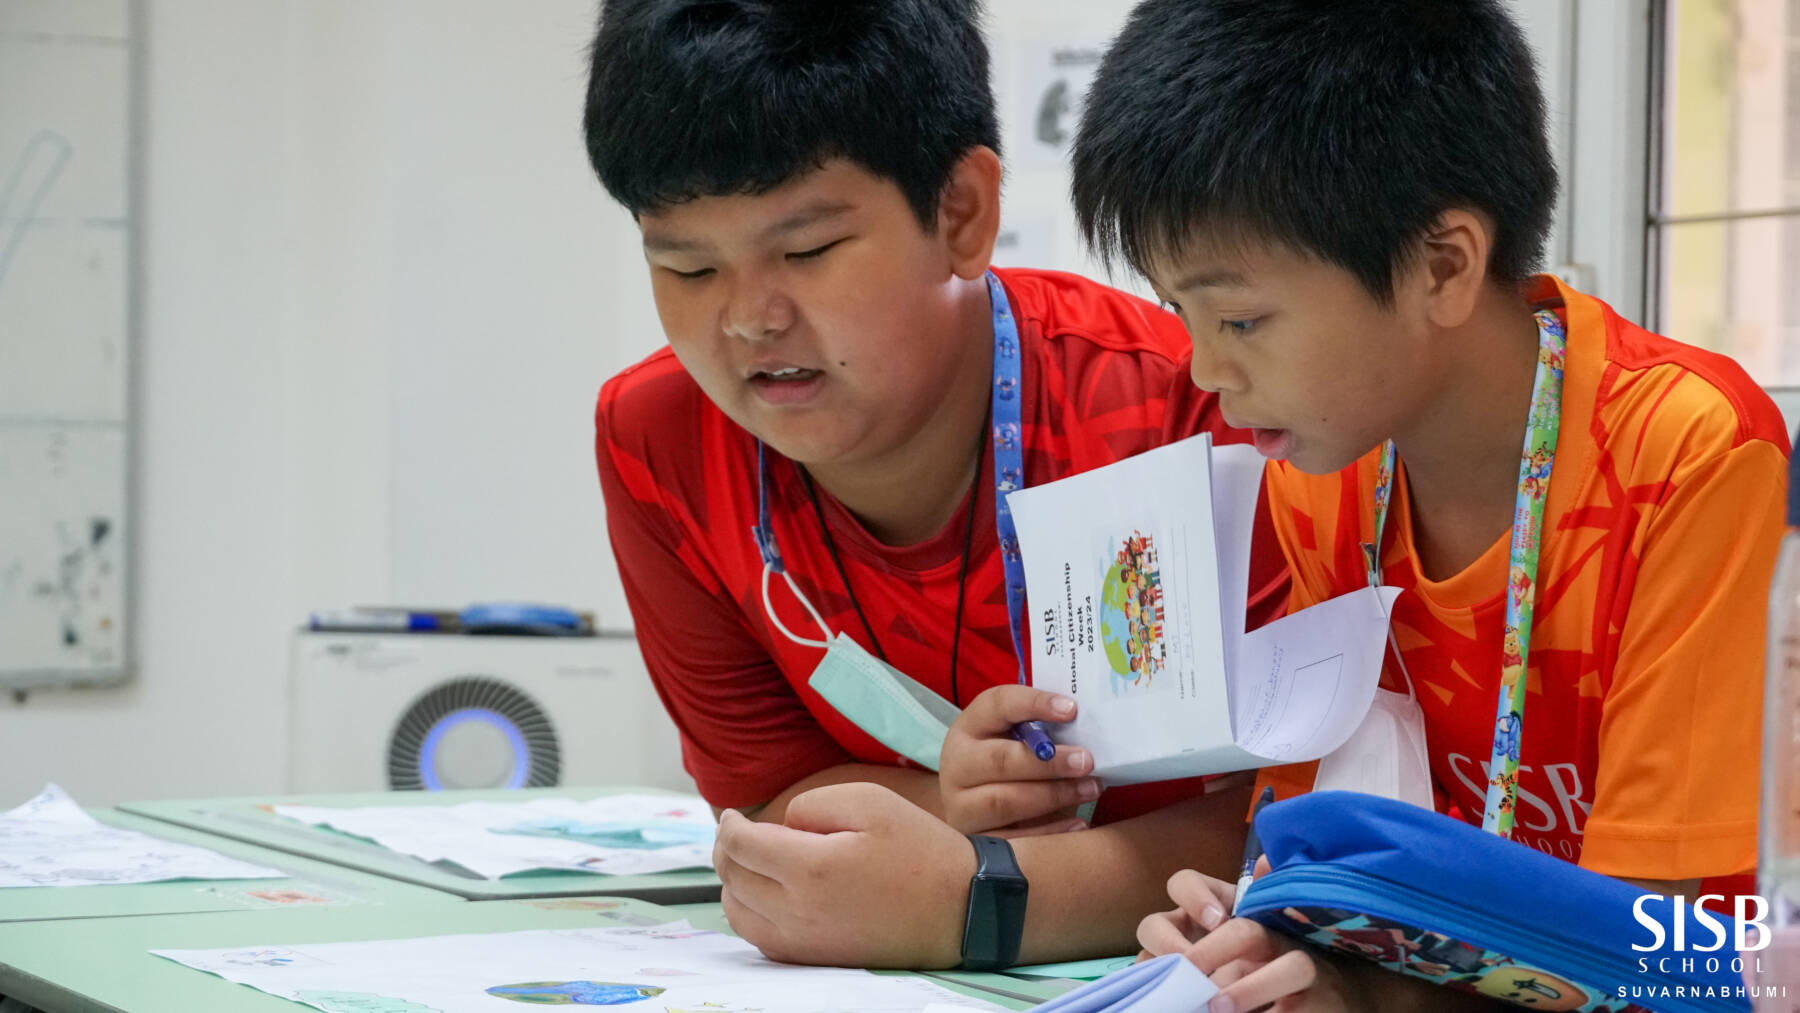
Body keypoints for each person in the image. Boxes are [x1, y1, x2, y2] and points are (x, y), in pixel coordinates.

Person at [1067, 0, 1791, 1008]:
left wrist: (1380, 991)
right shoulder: (1321, 477)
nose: (1205, 367)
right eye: (1178, 314)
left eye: (1240, 316)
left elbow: (1659, 947)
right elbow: (1332, 846)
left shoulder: (1688, 452)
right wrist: (1255, 928)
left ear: (1443, 263)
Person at [582, 0, 1286, 968]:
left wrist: (983, 896)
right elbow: (771, 798)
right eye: (688, 264)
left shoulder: (1194, 409)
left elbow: (1329, 806)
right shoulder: (657, 441)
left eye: (808, 251)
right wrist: (949, 812)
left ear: (961, 213)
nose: (748, 319)